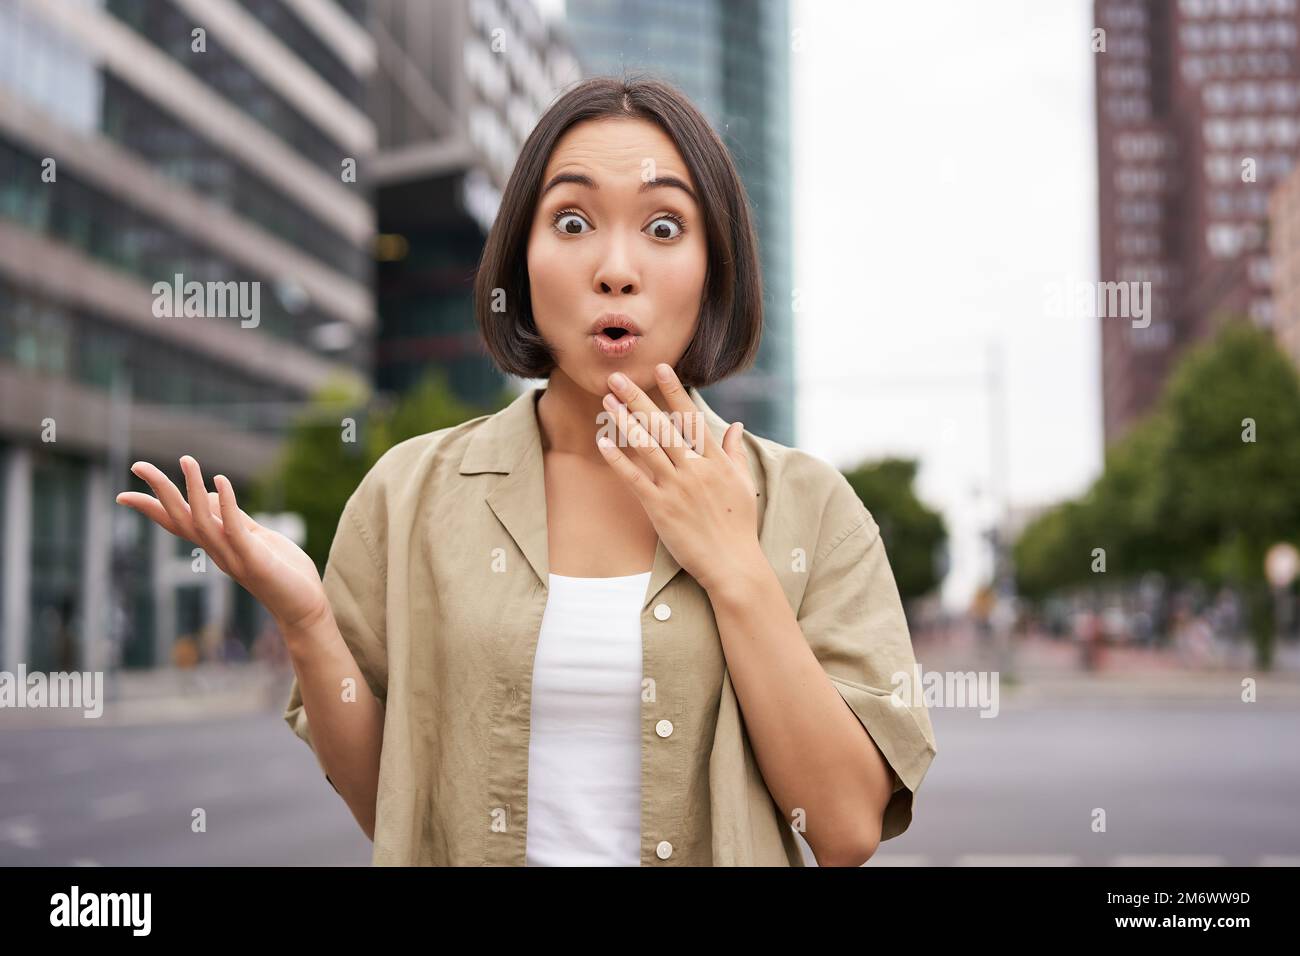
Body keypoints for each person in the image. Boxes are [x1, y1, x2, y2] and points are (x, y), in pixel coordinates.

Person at [115, 74, 937, 867]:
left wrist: (735, 567)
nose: (615, 268)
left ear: (715, 268)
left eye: (663, 228)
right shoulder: (409, 496)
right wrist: (305, 622)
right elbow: (390, 809)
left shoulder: (811, 508)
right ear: (521, 262)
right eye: (573, 222)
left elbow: (842, 829)